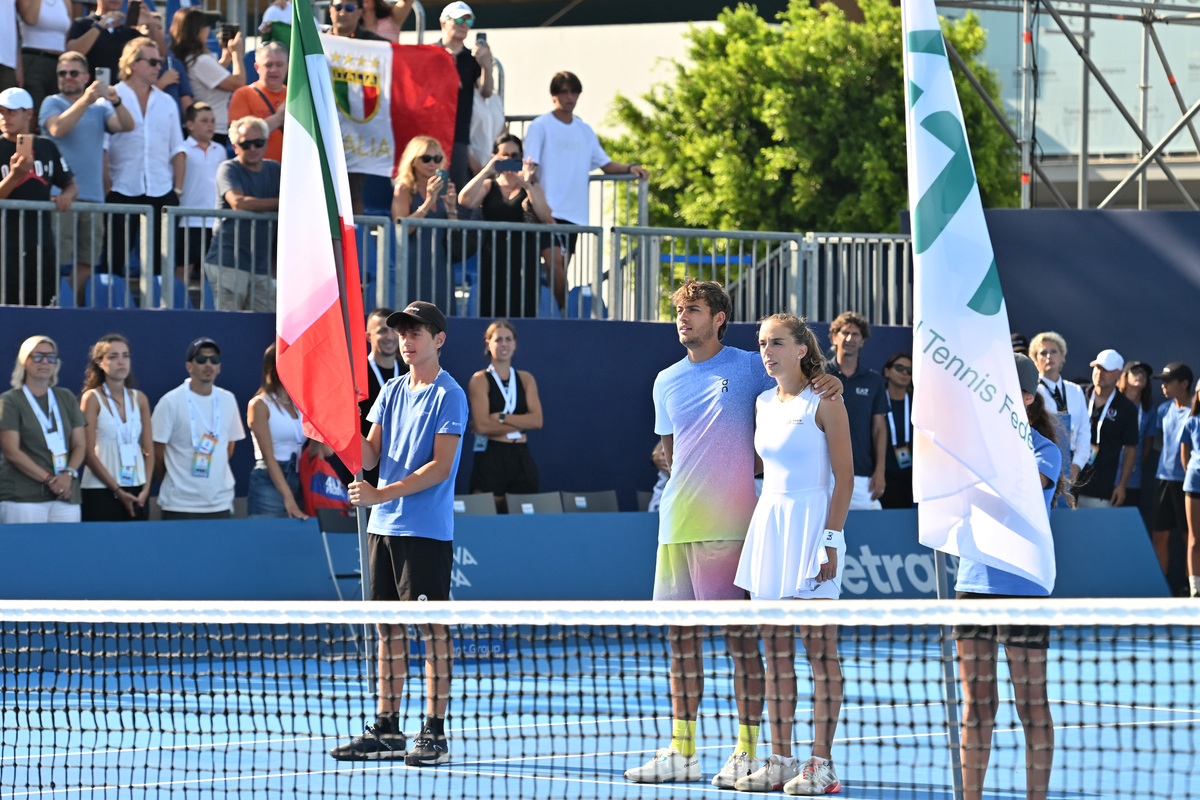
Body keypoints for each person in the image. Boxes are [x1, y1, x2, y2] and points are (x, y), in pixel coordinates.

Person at [625, 279, 841, 787]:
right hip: (675, 526)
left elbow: (798, 378)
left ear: (719, 318)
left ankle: (746, 752)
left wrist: (828, 380)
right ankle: (682, 751)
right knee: (681, 644)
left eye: (694, 310)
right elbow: (670, 451)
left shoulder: (749, 365)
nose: (683, 318)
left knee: (742, 644)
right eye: (679, 310)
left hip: (731, 527)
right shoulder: (665, 380)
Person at [329, 301, 468, 767]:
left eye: (416, 333)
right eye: (403, 333)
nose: (406, 341)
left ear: (439, 339)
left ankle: (434, 732)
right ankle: (388, 728)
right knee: (387, 628)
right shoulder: (389, 391)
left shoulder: (450, 395)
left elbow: (441, 467)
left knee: (431, 630)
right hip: (382, 527)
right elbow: (369, 455)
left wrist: (380, 494)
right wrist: (339, 426)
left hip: (424, 532)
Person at [730, 313, 852, 794]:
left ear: (802, 348)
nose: (767, 351)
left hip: (813, 527)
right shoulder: (762, 402)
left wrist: (830, 541)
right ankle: (780, 759)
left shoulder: (826, 400)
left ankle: (821, 764)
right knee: (776, 654)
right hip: (770, 529)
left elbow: (845, 478)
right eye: (762, 343)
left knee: (820, 653)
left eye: (777, 342)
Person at [955, 353, 1060, 800]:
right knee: (976, 706)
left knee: (1031, 705)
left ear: (1028, 397)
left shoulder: (1046, 450)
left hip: (1023, 588)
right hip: (973, 584)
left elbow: (1018, 492)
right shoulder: (968, 445)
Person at [523, 70, 648, 309]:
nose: (569, 97)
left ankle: (558, 312)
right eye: (564, 92)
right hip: (546, 211)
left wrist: (630, 168)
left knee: (561, 269)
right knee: (554, 264)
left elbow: (605, 164)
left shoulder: (585, 130)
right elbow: (530, 168)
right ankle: (562, 313)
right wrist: (538, 204)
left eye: (574, 91)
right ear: (553, 95)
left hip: (575, 213)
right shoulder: (540, 126)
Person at [41, 51, 134, 295]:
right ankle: (55, 304)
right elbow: (57, 128)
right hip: (60, 197)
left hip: (93, 196)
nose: (67, 77)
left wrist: (115, 101)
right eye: (62, 73)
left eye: (73, 73)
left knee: (87, 261)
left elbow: (127, 125)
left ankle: (69, 304)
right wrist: (86, 100)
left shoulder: (100, 108)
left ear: (86, 77)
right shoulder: (52, 102)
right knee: (58, 260)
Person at [106, 37, 184, 279]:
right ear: (132, 63)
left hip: (161, 188)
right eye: (152, 62)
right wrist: (107, 187)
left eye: (159, 61)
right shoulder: (110, 96)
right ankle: (112, 300)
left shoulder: (167, 102)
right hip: (121, 188)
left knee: (161, 263)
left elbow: (178, 149)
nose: (158, 67)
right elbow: (102, 148)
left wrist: (177, 191)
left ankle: (159, 302)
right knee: (114, 259)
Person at [458, 134, 557, 318]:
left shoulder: (532, 187)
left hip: (525, 262)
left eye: (515, 156)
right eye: (504, 155)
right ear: (495, 156)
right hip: (492, 260)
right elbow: (465, 200)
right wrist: (486, 170)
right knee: (491, 313)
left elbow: (545, 214)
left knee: (524, 313)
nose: (510, 159)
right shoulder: (489, 186)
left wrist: (527, 184)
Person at [151, 337, 246, 520]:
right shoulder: (170, 402)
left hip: (220, 502)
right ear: (189, 366)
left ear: (219, 367)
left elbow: (228, 447)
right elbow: (156, 452)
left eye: (214, 360)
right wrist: (177, 481)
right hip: (179, 504)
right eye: (201, 359)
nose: (208, 364)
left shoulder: (228, 399)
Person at [0, 86, 78, 307]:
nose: (5, 117)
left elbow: (71, 184)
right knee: (7, 308)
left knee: (43, 307)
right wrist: (15, 176)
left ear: (28, 113)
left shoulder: (46, 146)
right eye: (1, 111)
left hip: (42, 243)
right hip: (5, 245)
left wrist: (66, 196)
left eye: (11, 111)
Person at [0, 335, 86, 523]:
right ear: (24, 361)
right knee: (25, 544)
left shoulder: (66, 397)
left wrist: (68, 475)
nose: (45, 362)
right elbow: (11, 451)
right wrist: (49, 480)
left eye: (51, 357)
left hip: (65, 494)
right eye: (38, 356)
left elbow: (80, 444)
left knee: (67, 543)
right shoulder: (10, 400)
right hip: (23, 497)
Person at [204, 116, 281, 311]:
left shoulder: (275, 169)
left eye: (258, 143)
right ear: (235, 146)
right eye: (246, 144)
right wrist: (282, 204)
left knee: (265, 325)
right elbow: (238, 202)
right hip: (227, 263)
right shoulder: (228, 168)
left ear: (266, 144)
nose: (253, 148)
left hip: (261, 267)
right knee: (229, 324)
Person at [467, 320, 543, 512]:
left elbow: (537, 421)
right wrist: (522, 423)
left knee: (521, 518)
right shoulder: (480, 379)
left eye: (508, 339)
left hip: (521, 456)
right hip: (492, 456)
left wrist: (501, 417)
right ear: (488, 344)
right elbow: (483, 426)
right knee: (486, 518)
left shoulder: (526, 379)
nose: (504, 344)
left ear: (515, 344)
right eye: (498, 339)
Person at [79, 333, 153, 521]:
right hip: (100, 489)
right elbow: (87, 452)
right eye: (113, 357)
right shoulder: (92, 398)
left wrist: (146, 488)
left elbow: (149, 450)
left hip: (137, 488)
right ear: (99, 362)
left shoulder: (140, 398)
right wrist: (117, 490)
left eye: (125, 356)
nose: (121, 362)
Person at [824, 311, 888, 510]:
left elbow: (879, 429)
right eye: (845, 333)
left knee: (872, 519)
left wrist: (880, 470)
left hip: (860, 475)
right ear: (834, 338)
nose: (850, 338)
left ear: (862, 341)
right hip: (822, 474)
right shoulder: (817, 375)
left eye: (855, 334)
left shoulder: (874, 380)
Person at [393, 136, 457, 311]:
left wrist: (451, 208)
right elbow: (402, 228)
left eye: (437, 159)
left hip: (441, 263)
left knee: (443, 314)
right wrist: (429, 202)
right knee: (414, 315)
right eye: (426, 158)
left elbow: (454, 232)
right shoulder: (404, 189)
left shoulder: (443, 189)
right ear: (413, 161)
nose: (432, 163)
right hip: (414, 262)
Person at [247, 343, 307, 519]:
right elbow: (268, 456)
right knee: (266, 534)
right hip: (268, 480)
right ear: (274, 367)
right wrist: (288, 497)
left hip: (297, 478)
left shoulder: (300, 405)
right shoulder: (259, 404)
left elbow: (320, 449)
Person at [1073, 349, 1138, 508]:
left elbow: (1130, 449)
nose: (1099, 373)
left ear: (1118, 374)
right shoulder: (1077, 393)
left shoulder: (1127, 408)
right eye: (1097, 367)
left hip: (1101, 490)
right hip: (1069, 484)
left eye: (1106, 369)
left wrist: (1122, 485)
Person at [1149, 362, 1195, 593]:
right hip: (1163, 480)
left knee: (1189, 537)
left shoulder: (1195, 413)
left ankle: (1191, 586)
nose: (1163, 386)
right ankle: (1161, 587)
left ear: (1184, 384)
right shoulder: (1163, 410)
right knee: (1159, 535)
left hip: (1188, 483)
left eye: (1168, 381)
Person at [437, 1, 492, 187]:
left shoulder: (472, 59)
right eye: (459, 20)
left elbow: (486, 92)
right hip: (430, 132)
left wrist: (486, 65)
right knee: (431, 187)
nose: (463, 25)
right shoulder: (431, 53)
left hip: (459, 137)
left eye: (468, 22)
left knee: (455, 190)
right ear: (443, 23)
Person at [170, 7, 244, 144]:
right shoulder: (201, 61)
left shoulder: (190, 58)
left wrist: (226, 59)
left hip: (202, 130)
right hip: (212, 131)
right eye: (205, 26)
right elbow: (238, 83)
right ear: (197, 31)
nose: (208, 29)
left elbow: (210, 78)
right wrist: (237, 54)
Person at [1031, 331, 1089, 495]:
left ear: (1062, 357)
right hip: (1044, 463)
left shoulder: (1075, 390)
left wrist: (1076, 465)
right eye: (1043, 353)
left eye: (1054, 351)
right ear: (1035, 359)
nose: (1049, 356)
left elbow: (1084, 431)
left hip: (1072, 467)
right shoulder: (1032, 392)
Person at [174, 102, 223, 286]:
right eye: (204, 121)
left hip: (215, 220)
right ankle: (178, 302)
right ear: (190, 124)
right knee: (184, 267)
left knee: (213, 270)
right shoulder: (182, 150)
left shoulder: (220, 150)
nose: (210, 125)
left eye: (212, 121)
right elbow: (177, 187)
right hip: (189, 220)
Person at [361, 307, 405, 488]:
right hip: (364, 471)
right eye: (382, 331)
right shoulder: (356, 375)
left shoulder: (410, 374)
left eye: (394, 331)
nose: (390, 336)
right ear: (368, 336)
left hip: (402, 470)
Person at [228, 42, 287, 163]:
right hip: (257, 170)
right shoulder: (243, 94)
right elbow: (240, 137)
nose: (274, 70)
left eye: (279, 65)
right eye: (268, 65)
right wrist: (279, 117)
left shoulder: (295, 96)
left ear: (287, 66)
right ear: (257, 67)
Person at [65, 0, 139, 82]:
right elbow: (72, 53)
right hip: (89, 86)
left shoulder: (129, 31)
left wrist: (149, 25)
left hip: (119, 87)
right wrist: (100, 25)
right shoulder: (82, 23)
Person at [1117, 360, 1156, 515]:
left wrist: (1134, 462)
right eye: (1135, 372)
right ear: (1124, 376)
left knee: (1127, 518)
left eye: (1144, 373)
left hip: (1133, 478)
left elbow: (1148, 444)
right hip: (1108, 474)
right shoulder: (1113, 403)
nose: (1140, 375)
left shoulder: (1148, 410)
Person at [19, 0, 72, 113]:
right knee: (33, 111)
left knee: (58, 111)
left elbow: (67, 35)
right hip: (34, 61)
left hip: (59, 64)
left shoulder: (66, 2)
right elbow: (31, 19)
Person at [879, 351, 914, 509]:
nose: (905, 373)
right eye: (899, 368)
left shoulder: (918, 403)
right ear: (887, 371)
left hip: (911, 478)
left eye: (910, 371)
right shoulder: (877, 400)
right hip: (881, 476)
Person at [1182, 389, 1200, 600]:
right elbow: (1184, 455)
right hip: (1194, 485)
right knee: (1194, 538)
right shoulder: (1192, 422)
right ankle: (1195, 587)